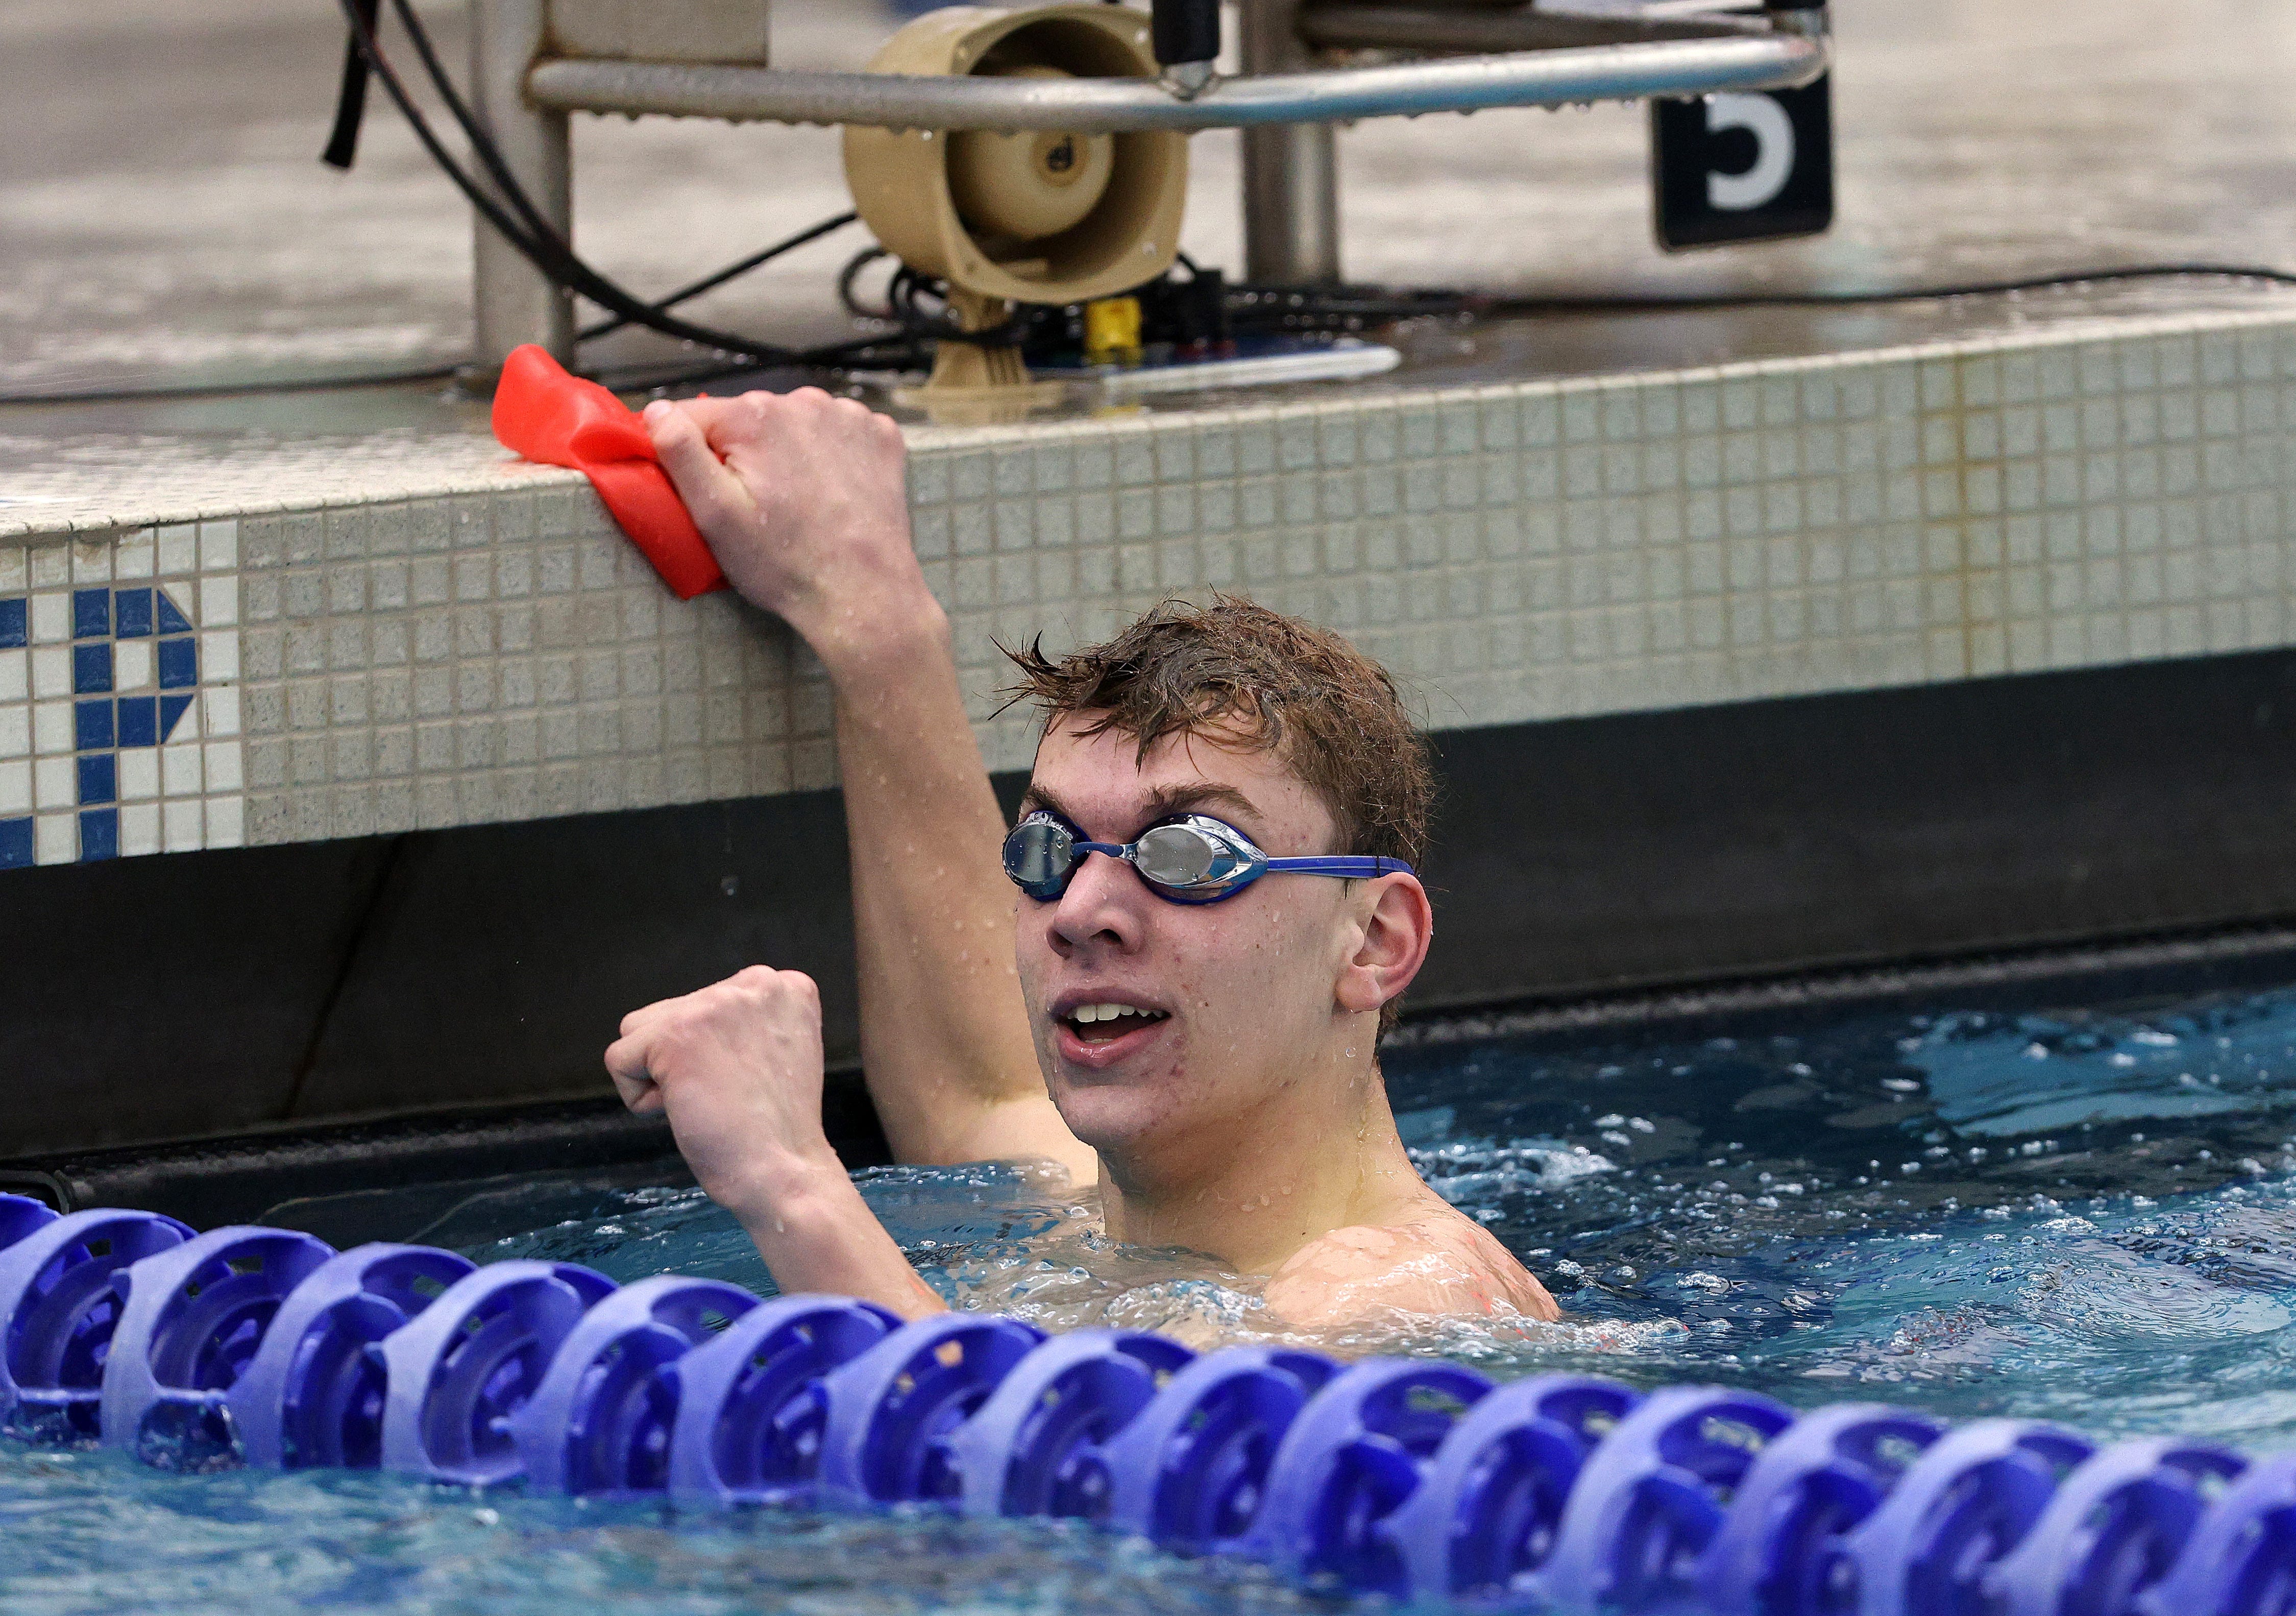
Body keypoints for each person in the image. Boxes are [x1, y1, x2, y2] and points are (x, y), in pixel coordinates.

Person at [604, 388, 1558, 1330]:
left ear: (1373, 943)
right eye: (1048, 850)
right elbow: (983, 1094)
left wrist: (793, 1185)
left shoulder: (1394, 1299)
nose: (1079, 909)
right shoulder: (1092, 1232)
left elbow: (1027, 1473)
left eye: (1185, 853)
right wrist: (866, 607)